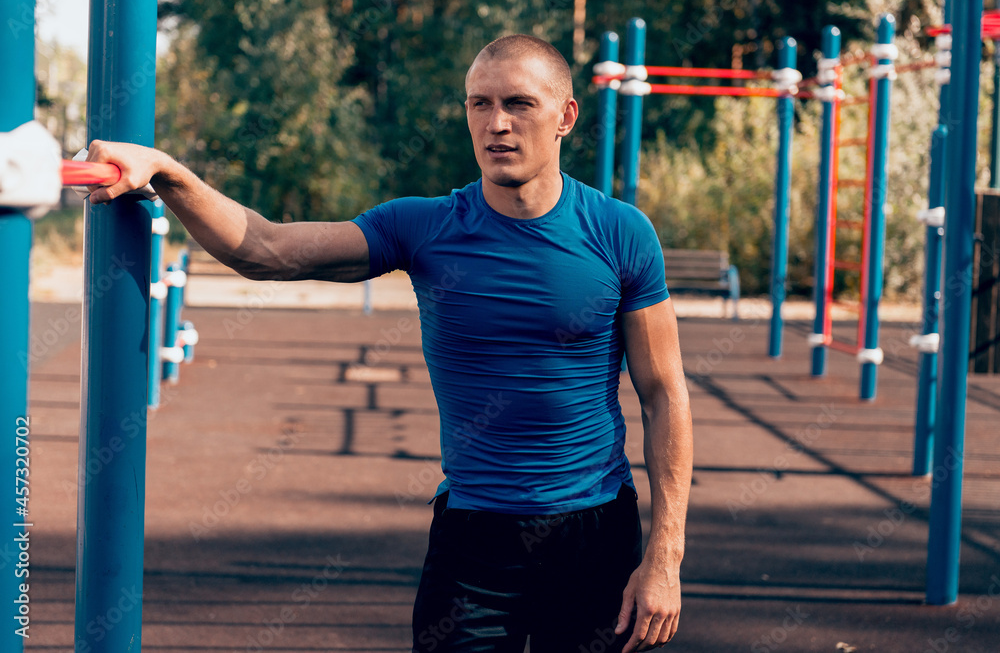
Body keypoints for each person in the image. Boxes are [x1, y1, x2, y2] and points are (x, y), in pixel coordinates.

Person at [86, 34, 693, 653]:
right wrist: (168, 172)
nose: (496, 124)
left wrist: (664, 557)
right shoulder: (424, 227)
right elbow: (266, 251)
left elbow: (663, 393)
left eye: (519, 104)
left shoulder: (620, 233)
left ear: (565, 115)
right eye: (478, 104)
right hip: (473, 542)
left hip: (593, 535)